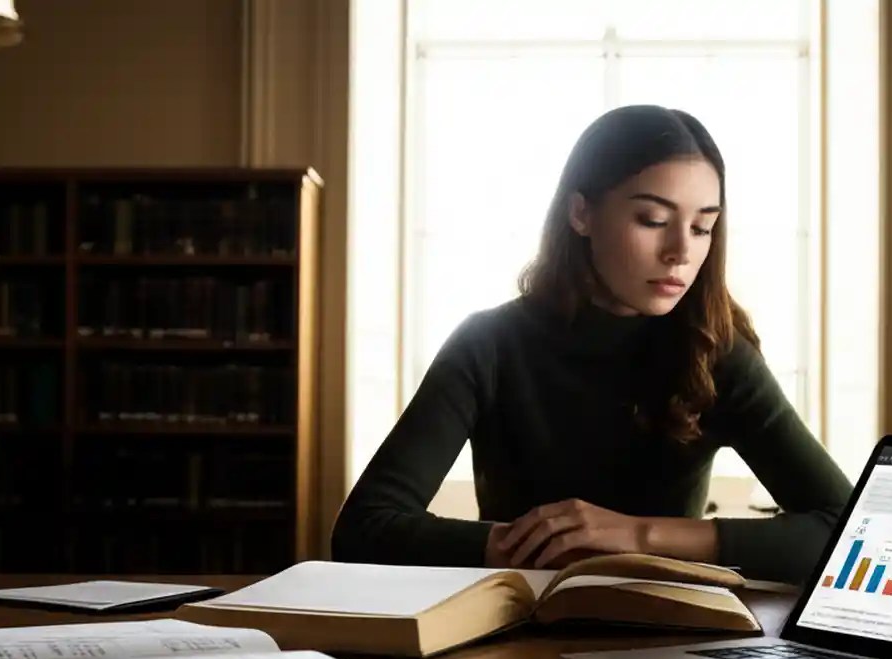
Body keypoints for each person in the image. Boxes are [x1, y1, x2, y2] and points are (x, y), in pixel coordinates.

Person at [331, 104, 853, 583]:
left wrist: (636, 536)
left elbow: (848, 534)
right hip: (511, 638)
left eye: (702, 226)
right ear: (581, 214)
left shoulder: (718, 353)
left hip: (671, 641)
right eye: (652, 220)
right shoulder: (487, 344)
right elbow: (364, 528)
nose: (680, 252)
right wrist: (545, 543)